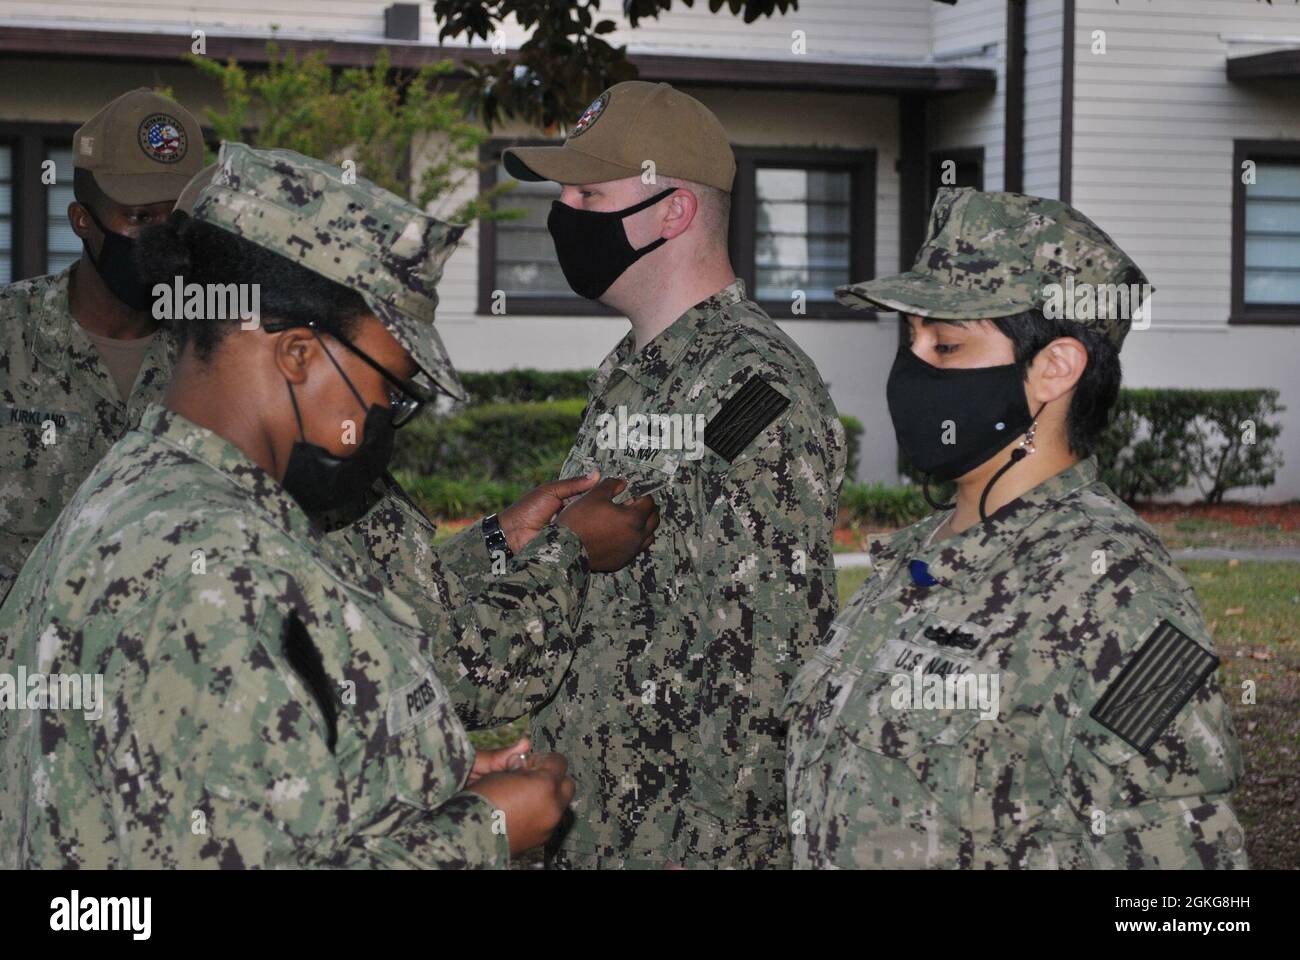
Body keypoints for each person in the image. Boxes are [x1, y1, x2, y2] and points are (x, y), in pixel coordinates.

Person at [0, 143, 658, 868]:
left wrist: (412, 780)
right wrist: (483, 833)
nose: (386, 416)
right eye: (389, 387)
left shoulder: (144, 497)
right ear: (300, 357)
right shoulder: (217, 571)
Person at [785, 187, 1248, 869]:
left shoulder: (1119, 597)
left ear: (1054, 368)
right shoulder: (918, 557)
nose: (911, 370)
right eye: (908, 339)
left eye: (944, 344)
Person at [502, 81, 846, 868]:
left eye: (588, 192)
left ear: (673, 213)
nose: (564, 213)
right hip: (593, 826)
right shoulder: (637, 371)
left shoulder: (753, 391)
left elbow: (769, 673)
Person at [0, 89, 200, 602]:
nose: (163, 238)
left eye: (177, 219)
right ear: (82, 221)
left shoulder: (220, 350)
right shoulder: (8, 334)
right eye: (139, 218)